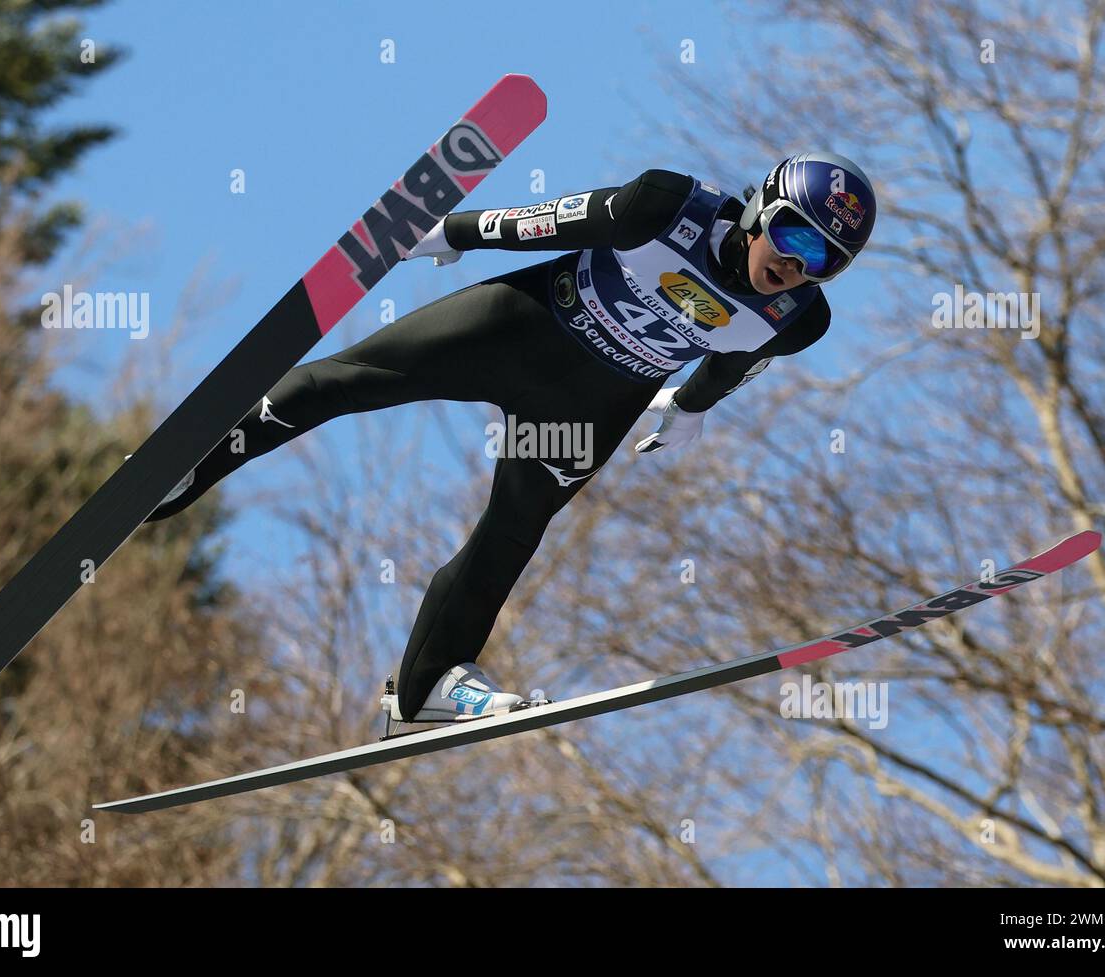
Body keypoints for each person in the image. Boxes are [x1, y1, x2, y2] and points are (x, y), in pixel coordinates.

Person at [145, 152, 878, 725]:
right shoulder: (667, 207)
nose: (794, 264)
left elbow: (730, 364)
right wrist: (454, 233)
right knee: (343, 380)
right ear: (758, 208)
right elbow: (549, 222)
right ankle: (187, 466)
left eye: (823, 261)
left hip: (592, 403)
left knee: (511, 532)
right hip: (519, 329)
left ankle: (428, 686)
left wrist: (687, 410)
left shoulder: (798, 318)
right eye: (790, 235)